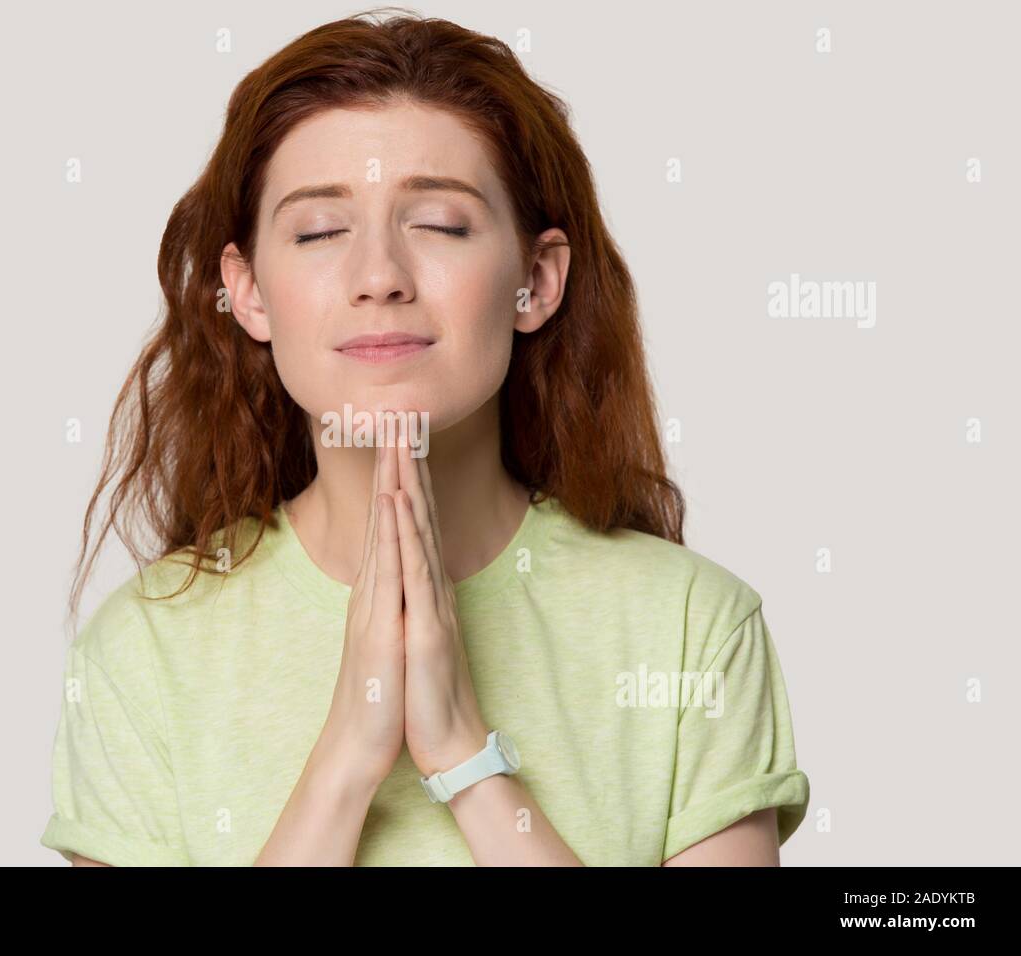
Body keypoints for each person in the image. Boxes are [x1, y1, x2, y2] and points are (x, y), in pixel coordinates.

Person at [39, 9, 809, 866]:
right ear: (247, 292)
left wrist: (464, 757)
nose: (379, 278)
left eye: (440, 225)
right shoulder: (145, 650)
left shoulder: (691, 629)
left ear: (537, 281)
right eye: (320, 231)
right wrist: (348, 756)